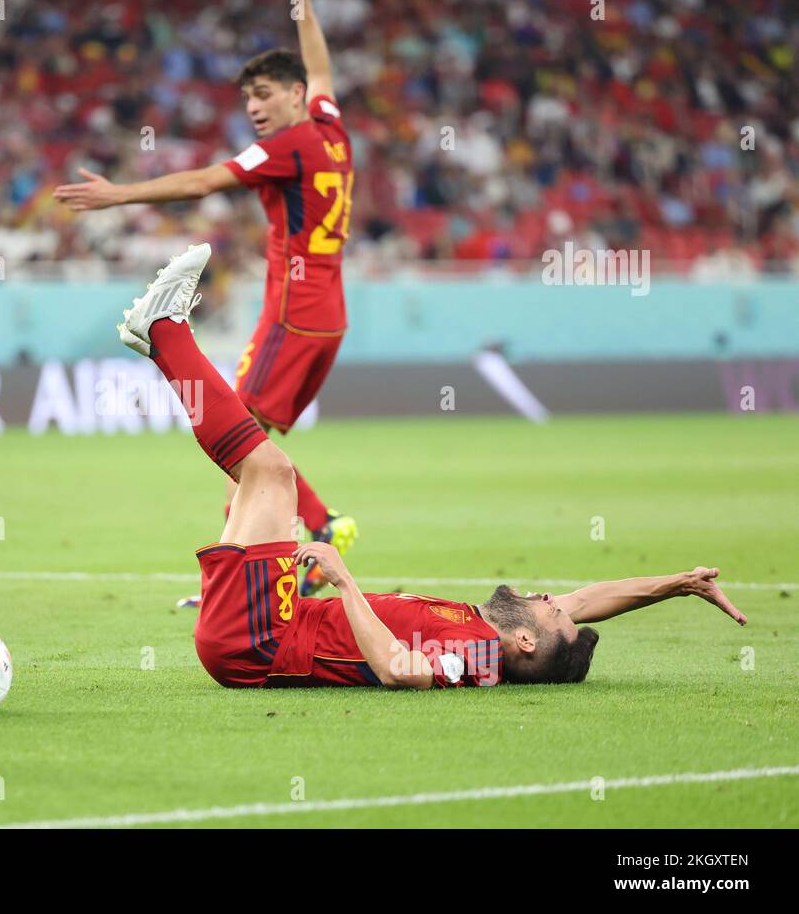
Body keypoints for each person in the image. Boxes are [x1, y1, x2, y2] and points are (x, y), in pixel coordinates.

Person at [116, 243, 747, 689]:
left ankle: (167, 330)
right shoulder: (492, 630)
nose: (553, 597)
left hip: (262, 640)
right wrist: (677, 584)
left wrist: (343, 581)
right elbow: (588, 600)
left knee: (272, 473)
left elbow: (397, 669)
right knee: (263, 474)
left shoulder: (474, 657)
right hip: (269, 622)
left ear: (526, 642)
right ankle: (162, 342)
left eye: (549, 610)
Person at [56, 0, 357, 595]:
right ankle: (308, 533)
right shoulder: (330, 129)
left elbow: (200, 184)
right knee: (252, 440)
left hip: (291, 315)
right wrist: (301, 1)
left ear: (294, 97)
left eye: (266, 94)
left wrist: (120, 195)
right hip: (328, 319)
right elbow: (323, 69)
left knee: (235, 437)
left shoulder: (287, 147)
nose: (253, 107)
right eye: (248, 96)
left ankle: (267, 561)